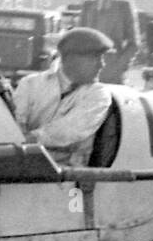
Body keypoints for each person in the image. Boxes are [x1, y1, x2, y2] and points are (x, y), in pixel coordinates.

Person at [13, 27, 114, 166]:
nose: (102, 65)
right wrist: (18, 140)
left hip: (71, 178)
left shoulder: (98, 94)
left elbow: (70, 131)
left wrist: (25, 141)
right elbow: (15, 122)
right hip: (23, 167)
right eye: (95, 58)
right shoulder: (30, 83)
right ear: (69, 58)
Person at [78, 0, 139, 85]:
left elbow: (134, 43)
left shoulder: (124, 7)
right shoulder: (88, 6)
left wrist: (120, 65)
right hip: (87, 72)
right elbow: (79, 38)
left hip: (113, 73)